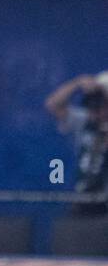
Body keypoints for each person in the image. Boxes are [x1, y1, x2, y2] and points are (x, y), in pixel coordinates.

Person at [45, 72, 108, 215]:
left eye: (103, 105)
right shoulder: (85, 121)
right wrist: (77, 83)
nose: (98, 112)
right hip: (83, 200)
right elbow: (53, 105)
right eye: (94, 106)